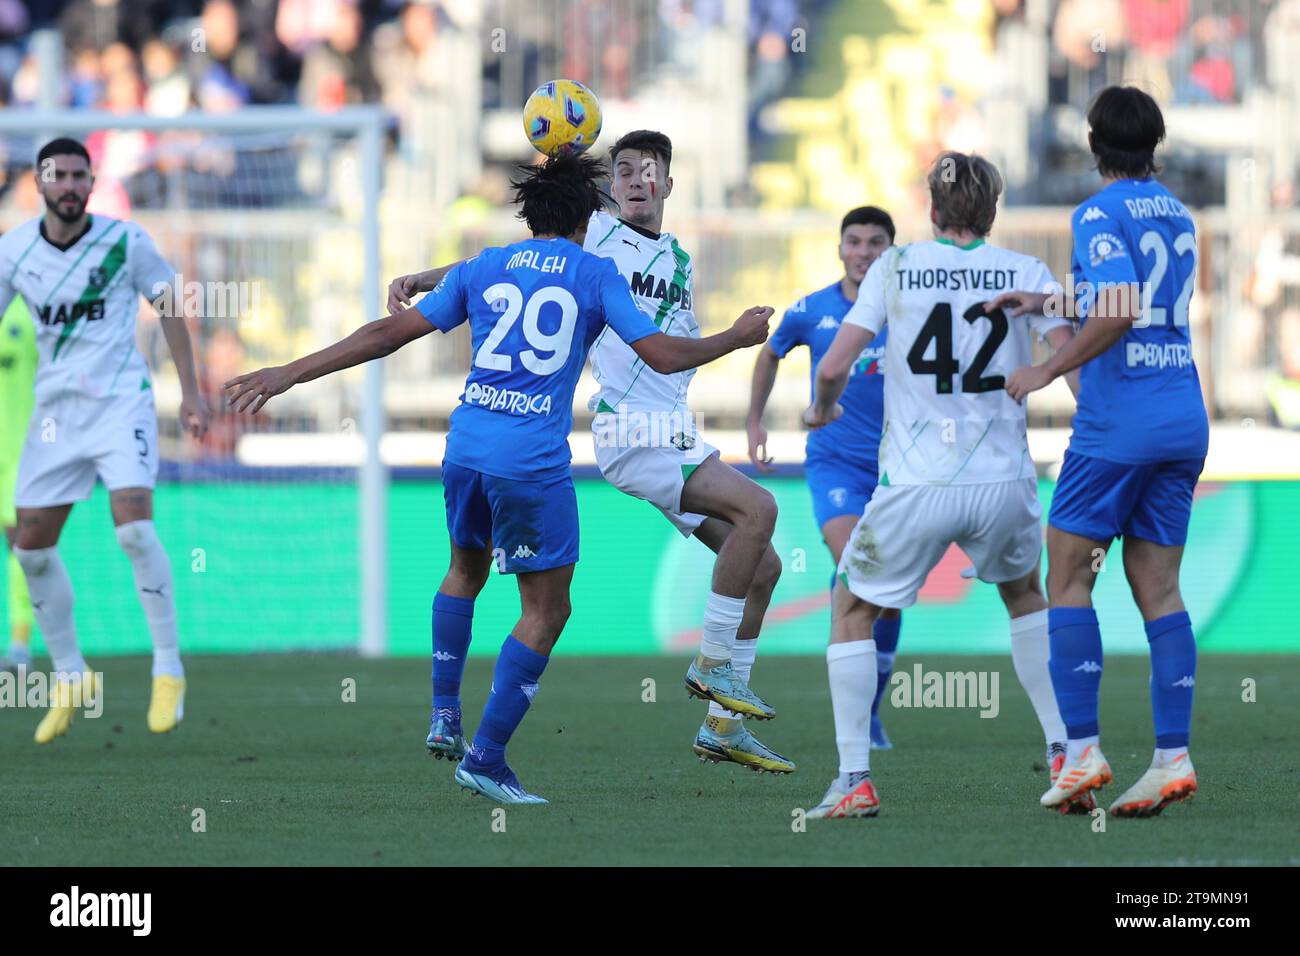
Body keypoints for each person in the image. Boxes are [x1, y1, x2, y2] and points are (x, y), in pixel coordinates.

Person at [227, 153, 772, 804]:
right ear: (587, 218)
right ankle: (485, 758)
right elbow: (661, 353)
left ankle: (444, 715)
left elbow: (384, 335)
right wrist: (736, 338)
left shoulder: (486, 265)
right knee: (547, 609)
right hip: (530, 460)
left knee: (465, 569)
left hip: (466, 447)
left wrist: (287, 372)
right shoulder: (594, 273)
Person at [388, 131, 793, 776]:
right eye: (624, 170)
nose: (635, 179)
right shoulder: (594, 239)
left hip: (673, 431)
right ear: (607, 192)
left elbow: (666, 347)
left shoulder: (679, 262)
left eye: (648, 170)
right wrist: (425, 277)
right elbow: (515, 261)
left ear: (667, 183)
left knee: (762, 567)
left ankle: (723, 725)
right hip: (634, 430)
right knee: (760, 511)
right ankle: (713, 668)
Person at [801, 152, 1080, 819]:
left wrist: (823, 406)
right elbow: (1073, 360)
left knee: (852, 610)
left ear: (931, 209)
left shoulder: (896, 266)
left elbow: (836, 362)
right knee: (1027, 599)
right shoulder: (1025, 272)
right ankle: (1067, 753)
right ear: (991, 211)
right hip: (1004, 478)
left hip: (918, 481)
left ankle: (854, 780)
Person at [995, 86, 1208, 817]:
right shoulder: (1178, 213)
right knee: (1159, 588)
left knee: (1068, 574)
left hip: (1121, 425)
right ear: (1156, 143)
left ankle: (1082, 751)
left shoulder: (1096, 212)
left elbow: (1117, 308)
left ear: (1093, 145)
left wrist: (1045, 367)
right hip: (1183, 416)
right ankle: (1172, 757)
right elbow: (1138, 302)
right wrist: (1050, 303)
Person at [0, 137, 209, 742]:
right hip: (55, 418)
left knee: (135, 529)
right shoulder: (14, 251)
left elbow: (170, 304)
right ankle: (70, 675)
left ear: (92, 184)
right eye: (57, 176)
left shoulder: (125, 241)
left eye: (78, 176)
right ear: (40, 184)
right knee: (31, 549)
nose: (68, 186)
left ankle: (167, 667)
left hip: (121, 406)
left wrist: (190, 392)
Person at [747, 205, 901, 749]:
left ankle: (871, 708)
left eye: (875, 243)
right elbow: (770, 354)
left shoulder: (909, 308)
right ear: (840, 249)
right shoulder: (812, 309)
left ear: (892, 250)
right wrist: (753, 420)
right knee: (860, 563)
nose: (863, 252)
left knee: (888, 587)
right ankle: (853, 709)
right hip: (835, 463)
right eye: (854, 242)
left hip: (902, 468)